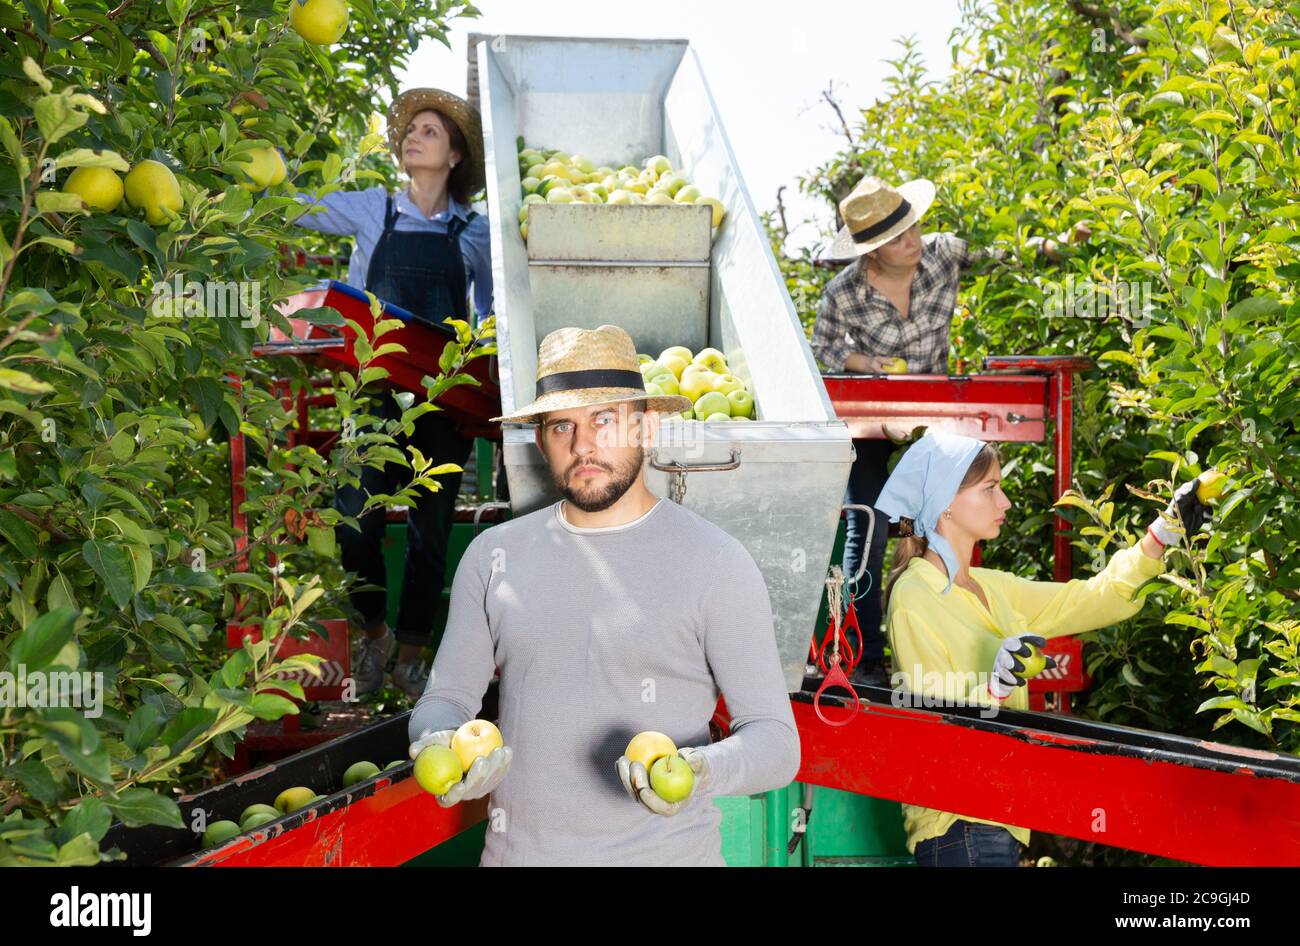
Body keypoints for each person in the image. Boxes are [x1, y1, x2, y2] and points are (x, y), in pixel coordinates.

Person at [406, 325, 801, 865]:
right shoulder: (493, 558)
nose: (583, 444)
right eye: (562, 425)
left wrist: (700, 768)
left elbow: (776, 743)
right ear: (541, 440)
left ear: (647, 425)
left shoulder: (716, 561)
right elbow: (445, 701)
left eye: (605, 420)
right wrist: (435, 742)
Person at [874, 431, 1213, 866]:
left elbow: (1092, 598)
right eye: (990, 489)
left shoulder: (993, 589)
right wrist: (994, 688)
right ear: (945, 502)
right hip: (955, 822)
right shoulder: (914, 594)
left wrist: (1161, 535)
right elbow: (928, 717)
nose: (1006, 503)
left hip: (1000, 817)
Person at [291, 88, 493, 697]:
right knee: (354, 522)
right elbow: (294, 206)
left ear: (454, 155)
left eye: (430, 131)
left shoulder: (474, 233)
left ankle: (409, 655)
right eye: (410, 130)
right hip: (371, 391)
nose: (414, 137)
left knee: (432, 533)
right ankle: (375, 632)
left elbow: (491, 312)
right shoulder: (370, 211)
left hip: (443, 396)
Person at [810, 175, 990, 685]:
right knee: (867, 524)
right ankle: (861, 654)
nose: (912, 241)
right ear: (871, 251)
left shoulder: (943, 255)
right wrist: (864, 359)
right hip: (872, 425)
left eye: (913, 228)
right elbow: (820, 351)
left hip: (934, 421)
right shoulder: (844, 292)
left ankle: (954, 642)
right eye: (897, 237)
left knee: (939, 523)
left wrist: (1056, 246)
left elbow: (1006, 256)